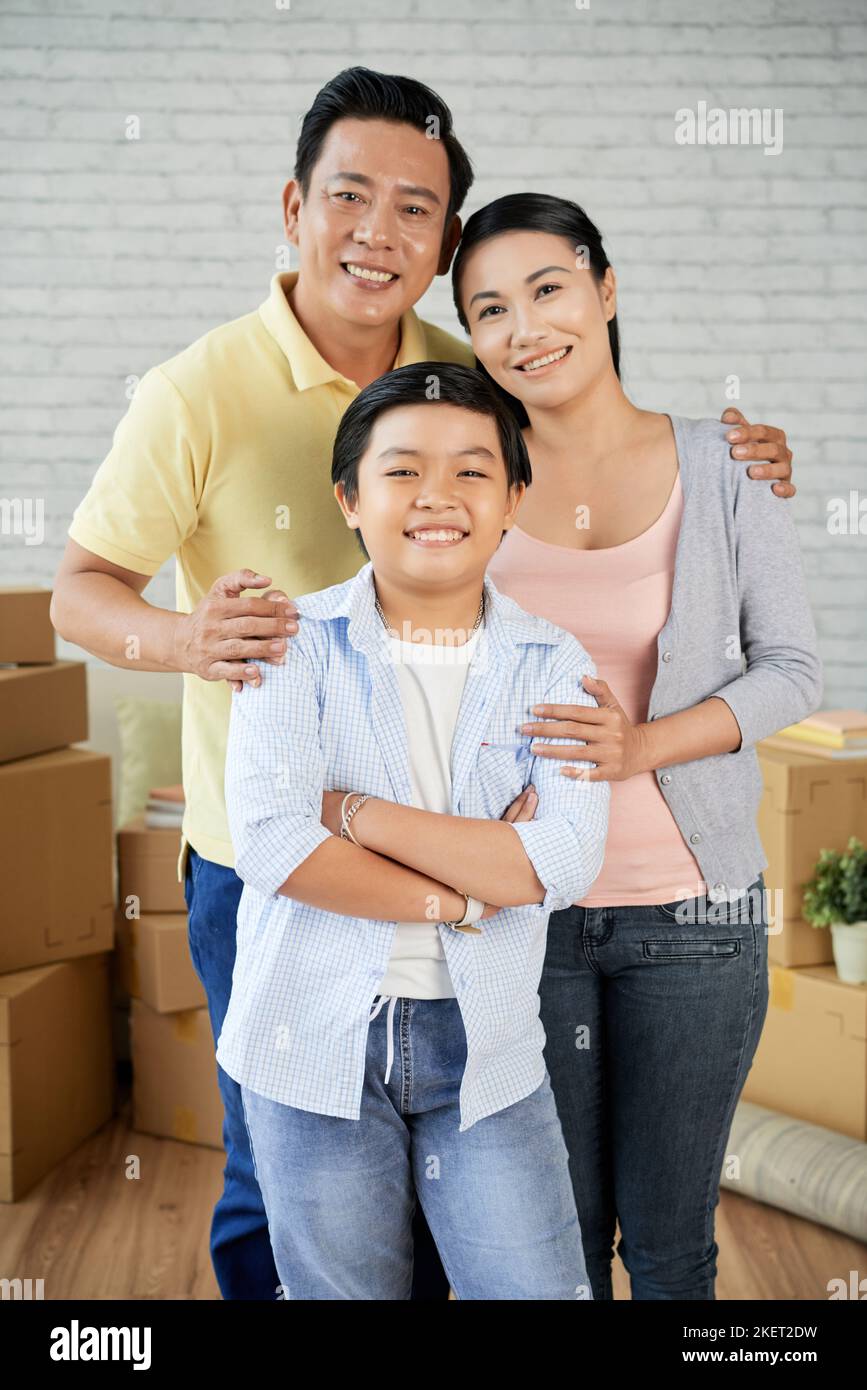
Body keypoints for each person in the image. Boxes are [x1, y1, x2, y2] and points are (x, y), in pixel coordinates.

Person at [49, 64, 797, 1301]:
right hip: (271, 859)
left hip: (475, 844)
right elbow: (81, 587)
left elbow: (603, 437)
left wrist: (733, 458)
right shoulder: (197, 388)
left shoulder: (475, 367)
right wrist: (192, 643)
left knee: (478, 1189)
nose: (378, 231)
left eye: (416, 209)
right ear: (294, 206)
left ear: (447, 239)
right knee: (275, 1182)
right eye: (351, 195)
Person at [446, 191, 823, 1299]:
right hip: (525, 918)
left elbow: (793, 670)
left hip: (693, 917)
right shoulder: (465, 483)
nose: (526, 328)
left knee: (669, 1248)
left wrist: (640, 745)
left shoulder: (725, 465)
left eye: (549, 289)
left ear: (606, 291)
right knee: (554, 1244)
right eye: (490, 310)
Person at [219, 362, 610, 1299]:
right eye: (401, 471)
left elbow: (561, 859)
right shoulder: (288, 641)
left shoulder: (552, 662)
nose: (437, 496)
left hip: (489, 1045)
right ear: (348, 498)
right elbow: (275, 847)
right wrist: (475, 887)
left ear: (516, 497)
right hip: (307, 1040)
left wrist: (348, 814)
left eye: (473, 471)